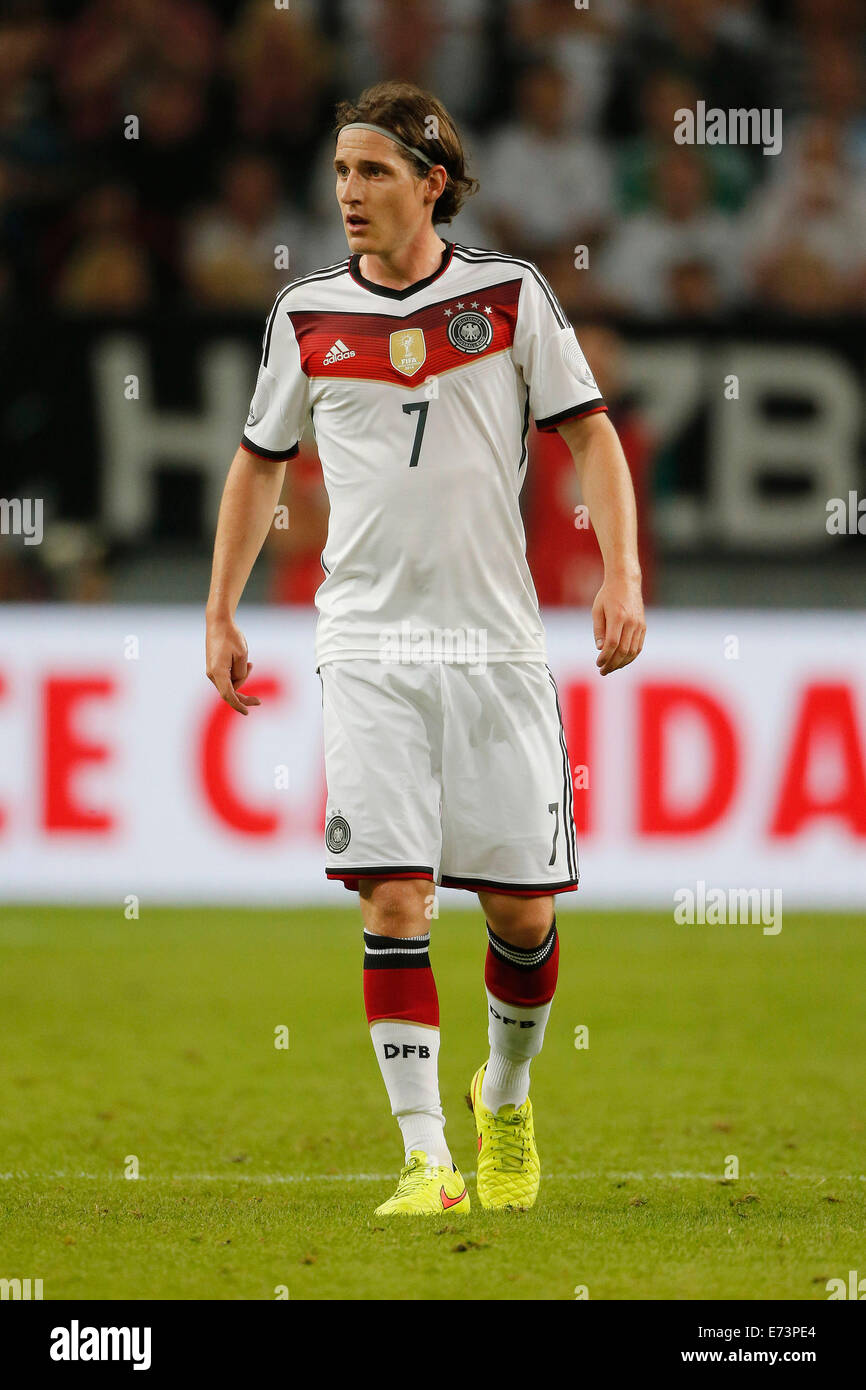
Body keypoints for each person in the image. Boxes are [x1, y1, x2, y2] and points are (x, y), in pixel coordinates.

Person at [205, 80, 645, 1217]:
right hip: (365, 646)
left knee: (521, 918)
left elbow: (590, 437)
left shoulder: (506, 297)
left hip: (494, 645)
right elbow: (258, 461)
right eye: (341, 172)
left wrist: (620, 571)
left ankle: (503, 1097)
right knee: (393, 901)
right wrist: (221, 609)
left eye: (373, 173)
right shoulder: (304, 314)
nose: (347, 192)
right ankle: (425, 1161)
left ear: (430, 183)